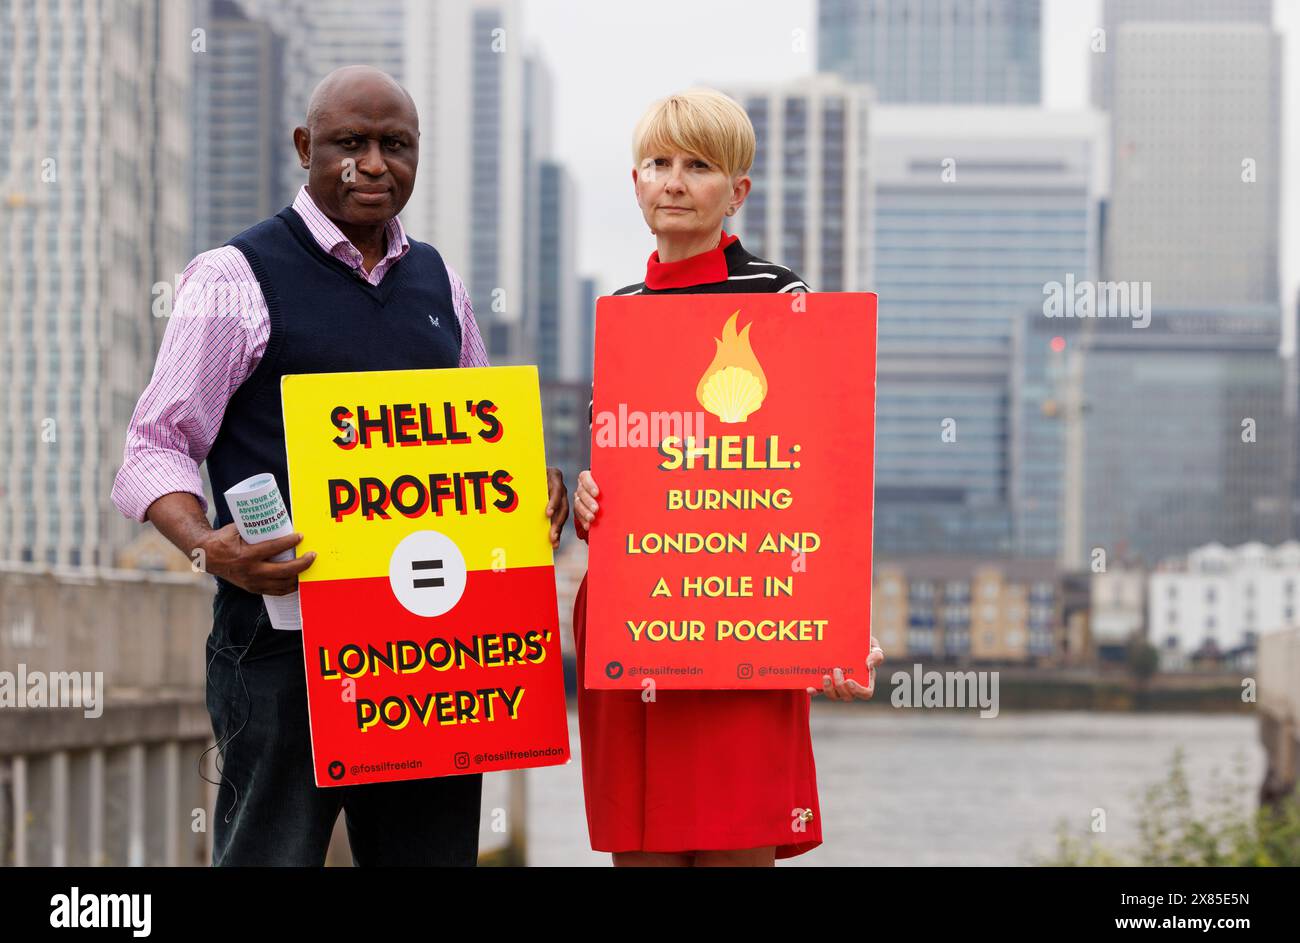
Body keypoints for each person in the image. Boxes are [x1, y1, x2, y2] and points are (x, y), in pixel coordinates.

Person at [110, 66, 569, 866]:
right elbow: (156, 443)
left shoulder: (441, 283)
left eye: (396, 145)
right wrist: (207, 545)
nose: (374, 164)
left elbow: (481, 440)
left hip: (428, 648)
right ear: (304, 147)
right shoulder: (233, 277)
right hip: (280, 645)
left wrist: (533, 481)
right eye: (350, 143)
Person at [571, 89, 885, 867]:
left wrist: (841, 620)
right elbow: (626, 464)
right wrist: (589, 497)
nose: (674, 182)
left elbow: (823, 466)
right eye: (658, 163)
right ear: (636, 182)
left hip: (741, 617)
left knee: (734, 847)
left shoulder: (782, 298)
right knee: (639, 848)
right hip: (636, 615)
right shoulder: (619, 310)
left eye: (699, 166)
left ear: (737, 190)